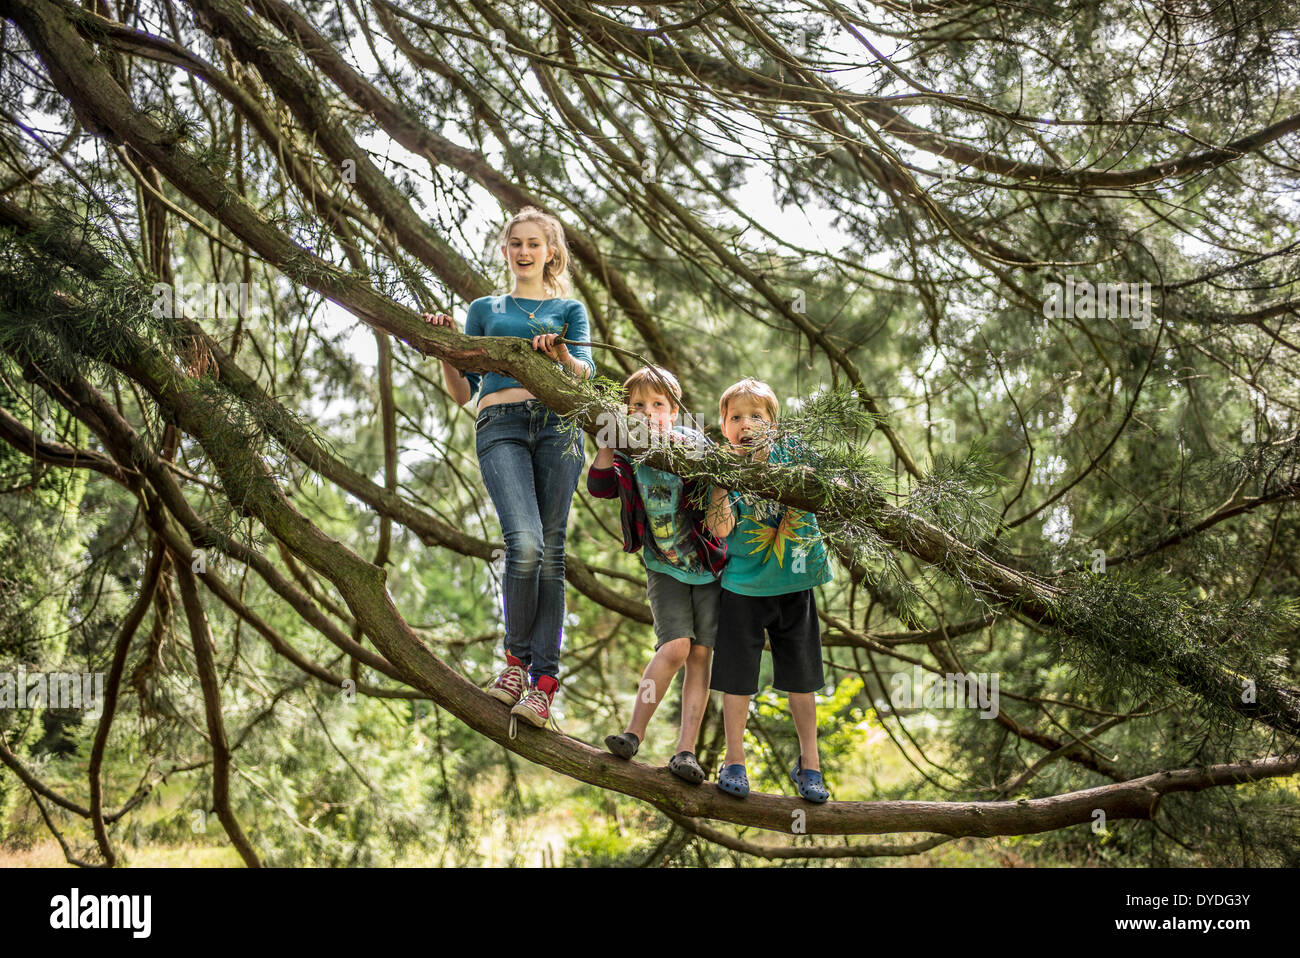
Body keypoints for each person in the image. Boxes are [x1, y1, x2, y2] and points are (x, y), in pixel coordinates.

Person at [423, 207, 595, 730]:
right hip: (500, 424)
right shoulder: (484, 308)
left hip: (559, 428)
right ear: (505, 251)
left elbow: (585, 374)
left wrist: (561, 355)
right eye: (515, 243)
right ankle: (515, 665)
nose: (524, 252)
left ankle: (543, 685)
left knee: (552, 555)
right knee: (525, 543)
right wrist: (447, 348)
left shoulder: (569, 309)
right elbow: (462, 395)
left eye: (534, 245)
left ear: (551, 253)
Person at [587, 367, 730, 784]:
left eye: (658, 405)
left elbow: (721, 493)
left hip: (707, 568)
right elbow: (599, 486)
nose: (648, 413)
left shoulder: (693, 446)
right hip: (663, 566)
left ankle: (685, 751)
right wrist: (607, 445)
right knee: (674, 649)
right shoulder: (630, 453)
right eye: (637, 406)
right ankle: (634, 732)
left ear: (674, 409)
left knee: (701, 656)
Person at [707, 379, 834, 803]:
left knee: (802, 678)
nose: (745, 424)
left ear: (773, 424)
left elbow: (823, 491)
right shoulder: (719, 465)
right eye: (735, 417)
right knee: (737, 677)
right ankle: (734, 759)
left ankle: (810, 762)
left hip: (793, 581)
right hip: (743, 586)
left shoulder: (792, 453)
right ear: (724, 426)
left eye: (756, 416)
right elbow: (720, 529)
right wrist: (721, 484)